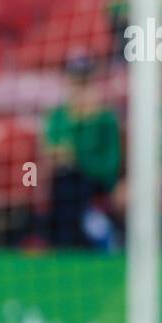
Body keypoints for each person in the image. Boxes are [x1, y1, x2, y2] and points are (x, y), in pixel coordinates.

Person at [37, 55, 122, 249]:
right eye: (76, 83)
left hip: (94, 182)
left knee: (71, 183)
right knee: (61, 182)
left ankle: (79, 236)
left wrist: (76, 157)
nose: (80, 90)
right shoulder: (58, 116)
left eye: (85, 84)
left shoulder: (105, 120)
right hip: (62, 181)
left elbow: (110, 166)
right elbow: (48, 152)